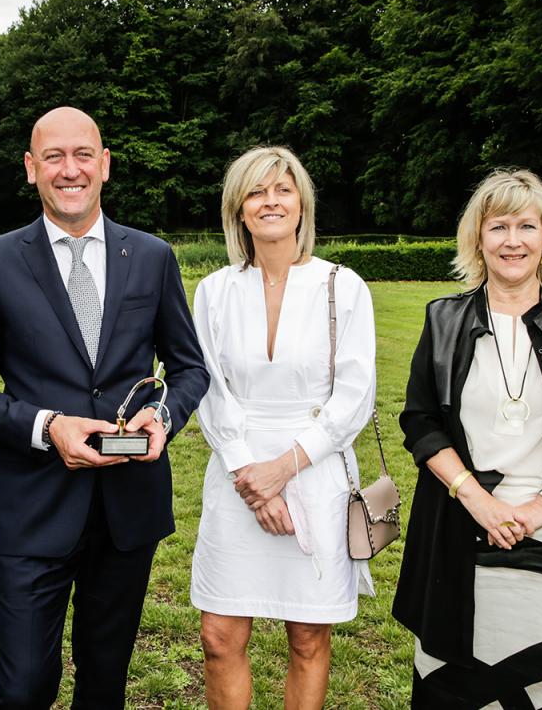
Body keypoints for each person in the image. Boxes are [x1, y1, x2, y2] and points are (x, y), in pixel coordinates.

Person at [0, 106, 209, 708]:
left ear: (105, 165)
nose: (70, 170)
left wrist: (162, 417)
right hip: (32, 508)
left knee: (104, 682)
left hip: (128, 509)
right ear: (31, 168)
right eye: (54, 157)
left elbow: (190, 368)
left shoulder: (153, 256)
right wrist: (46, 425)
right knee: (26, 686)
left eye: (83, 155)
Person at [392, 169, 542, 708]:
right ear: (478, 237)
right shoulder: (445, 319)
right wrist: (477, 499)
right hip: (459, 531)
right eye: (499, 227)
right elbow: (421, 421)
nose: (513, 241)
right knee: (453, 688)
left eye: (527, 226)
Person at [190, 146, 376, 708]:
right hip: (236, 472)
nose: (270, 201)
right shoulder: (214, 290)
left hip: (316, 473)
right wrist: (251, 474)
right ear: (238, 210)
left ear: (302, 205)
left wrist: (284, 468)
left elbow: (355, 396)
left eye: (283, 190)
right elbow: (208, 386)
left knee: (307, 637)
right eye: (256, 192)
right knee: (219, 637)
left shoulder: (343, 286)